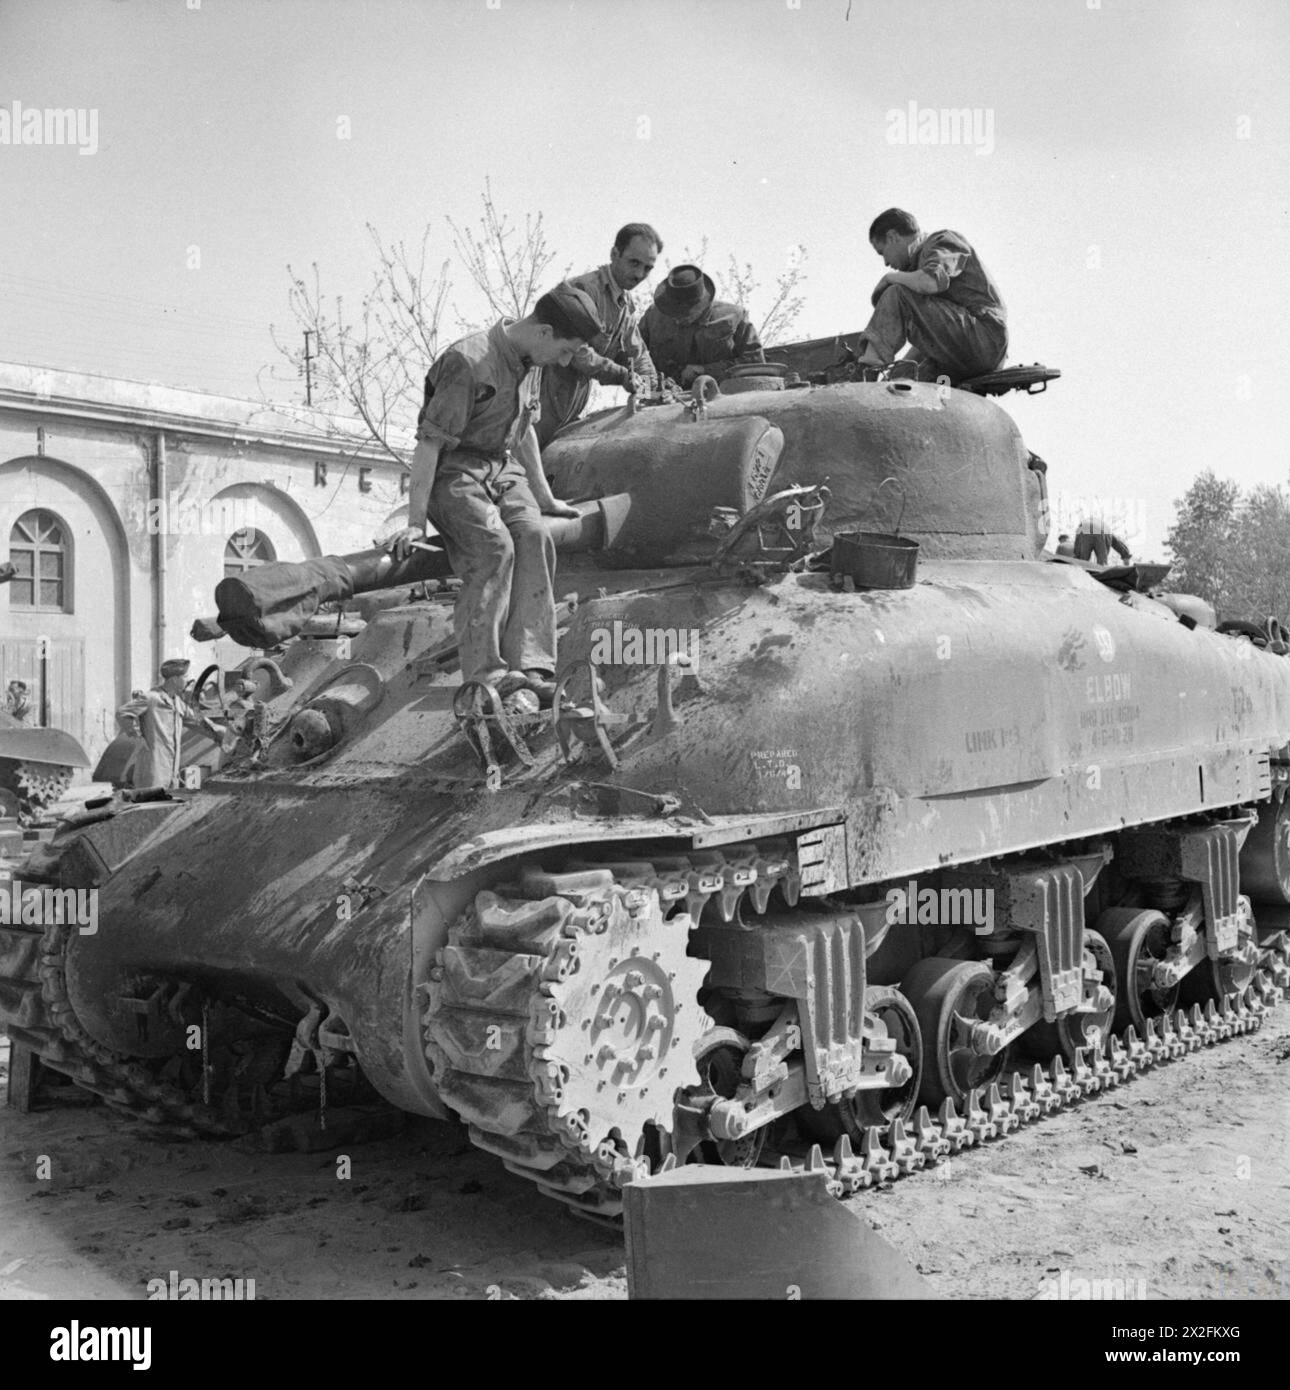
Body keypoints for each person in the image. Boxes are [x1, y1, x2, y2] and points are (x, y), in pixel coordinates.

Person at [386, 283, 604, 704]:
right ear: (543, 333)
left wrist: (544, 499)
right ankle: (487, 676)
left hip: (503, 468)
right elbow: (429, 445)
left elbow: (524, 438)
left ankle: (532, 667)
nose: (565, 361)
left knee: (535, 535)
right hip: (454, 472)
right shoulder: (468, 362)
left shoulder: (531, 362)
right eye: (565, 349)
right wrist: (415, 523)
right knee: (493, 547)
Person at [535, 223, 662, 447]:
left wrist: (653, 391)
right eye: (634, 263)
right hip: (541, 401)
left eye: (647, 268)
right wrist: (623, 375)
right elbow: (577, 353)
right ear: (615, 254)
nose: (639, 274)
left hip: (571, 407)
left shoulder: (624, 305)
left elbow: (637, 353)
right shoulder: (581, 290)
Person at [857, 208, 1007, 385]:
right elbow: (933, 336)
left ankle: (866, 372)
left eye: (882, 253)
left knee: (896, 293)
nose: (886, 263)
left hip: (984, 340)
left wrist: (889, 279)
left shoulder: (943, 241)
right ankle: (875, 382)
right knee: (893, 386)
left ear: (893, 237)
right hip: (960, 349)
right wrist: (894, 376)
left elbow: (930, 281)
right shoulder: (915, 270)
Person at [639, 265, 765, 387]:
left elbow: (754, 364)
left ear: (702, 305)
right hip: (663, 401)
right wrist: (646, 393)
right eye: (673, 313)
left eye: (685, 313)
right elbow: (633, 355)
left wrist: (705, 370)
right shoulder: (653, 317)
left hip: (724, 399)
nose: (678, 319)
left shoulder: (734, 317)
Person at [117, 659, 221, 789]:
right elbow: (122, 713)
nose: (187, 680)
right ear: (174, 679)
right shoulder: (151, 698)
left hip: (171, 771)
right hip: (152, 770)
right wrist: (137, 736)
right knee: (152, 804)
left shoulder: (177, 702)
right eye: (185, 677)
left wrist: (222, 732)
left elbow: (198, 721)